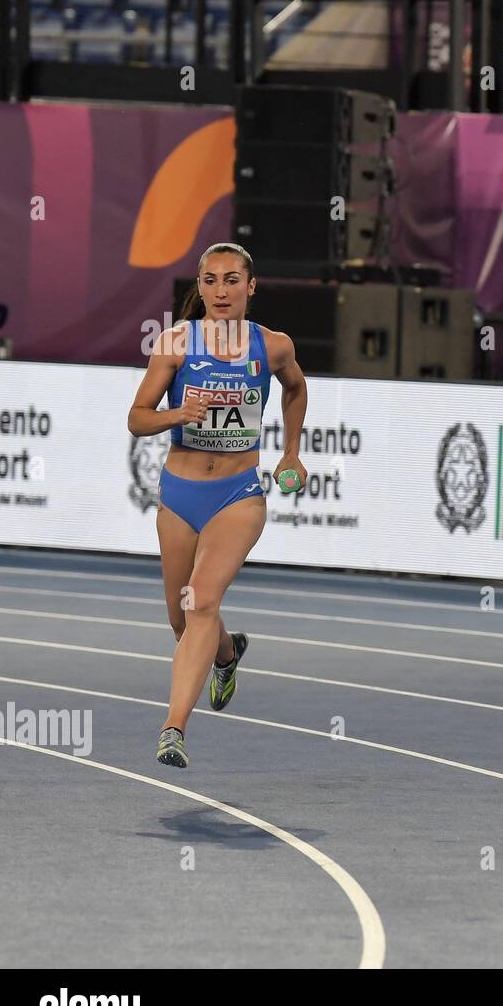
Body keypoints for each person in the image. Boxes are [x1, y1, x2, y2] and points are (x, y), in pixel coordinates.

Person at [127, 243, 309, 768]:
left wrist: (291, 451)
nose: (221, 291)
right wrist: (178, 413)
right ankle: (227, 654)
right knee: (182, 621)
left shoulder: (272, 346)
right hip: (180, 495)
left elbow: (295, 388)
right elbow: (137, 418)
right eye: (210, 281)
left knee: (200, 601)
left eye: (232, 280)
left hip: (238, 495)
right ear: (200, 287)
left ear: (251, 286)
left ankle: (173, 729)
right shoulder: (176, 344)